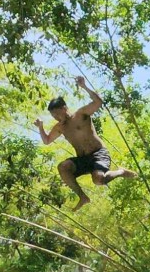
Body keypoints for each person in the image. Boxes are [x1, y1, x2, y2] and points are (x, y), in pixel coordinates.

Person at [36, 76, 137, 206]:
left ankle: (121, 172)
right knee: (63, 167)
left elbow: (98, 102)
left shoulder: (81, 114)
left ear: (64, 108)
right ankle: (82, 197)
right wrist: (40, 128)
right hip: (83, 159)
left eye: (56, 114)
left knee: (98, 180)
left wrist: (84, 87)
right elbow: (47, 141)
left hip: (98, 154)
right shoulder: (60, 127)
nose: (55, 118)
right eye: (53, 116)